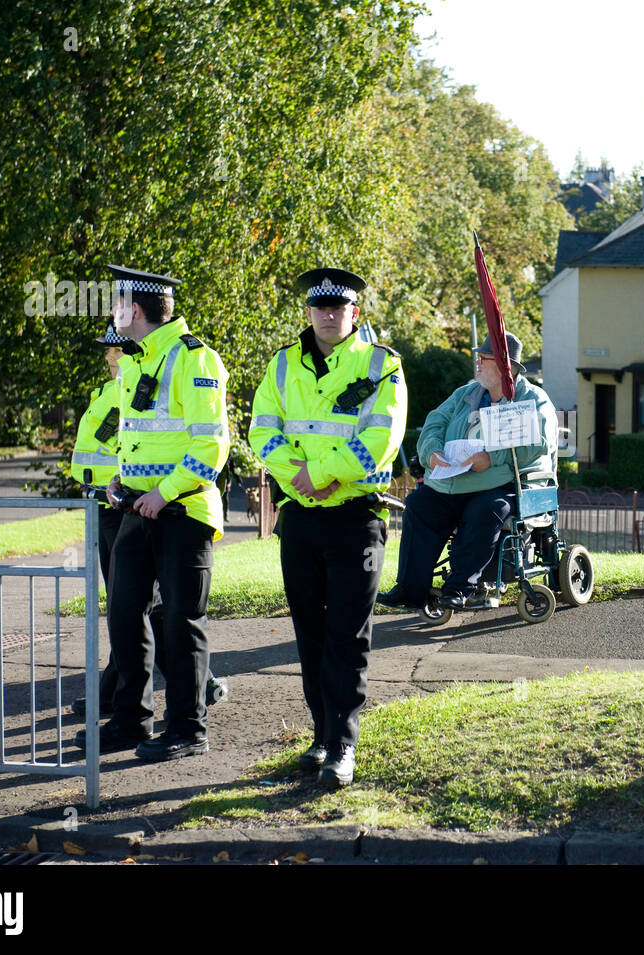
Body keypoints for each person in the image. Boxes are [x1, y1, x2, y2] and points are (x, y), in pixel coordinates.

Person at [249, 267, 406, 788]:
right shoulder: (280, 364)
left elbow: (379, 439)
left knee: (346, 634)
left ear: (354, 313)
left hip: (356, 520)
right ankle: (320, 734)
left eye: (339, 307)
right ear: (310, 311)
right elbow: (262, 428)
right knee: (309, 633)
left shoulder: (383, 365)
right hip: (299, 518)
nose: (329, 314)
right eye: (320, 306)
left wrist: (316, 475)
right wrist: (296, 477)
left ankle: (344, 744)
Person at [75, 265, 230, 762]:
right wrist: (121, 479)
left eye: (116, 303)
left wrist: (162, 494)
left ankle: (187, 729)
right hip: (138, 508)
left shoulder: (193, 358)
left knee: (180, 623)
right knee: (124, 615)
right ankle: (131, 722)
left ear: (134, 309)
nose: (111, 311)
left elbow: (211, 445)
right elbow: (139, 439)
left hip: (182, 511)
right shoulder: (139, 361)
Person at [379, 331, 558, 612]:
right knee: (419, 504)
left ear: (504, 365)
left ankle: (459, 588)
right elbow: (434, 423)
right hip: (455, 479)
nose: (477, 363)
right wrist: (432, 453)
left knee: (486, 509)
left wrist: (492, 457)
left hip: (507, 482)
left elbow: (540, 444)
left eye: (483, 358)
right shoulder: (466, 392)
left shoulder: (533, 399)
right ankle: (410, 590)